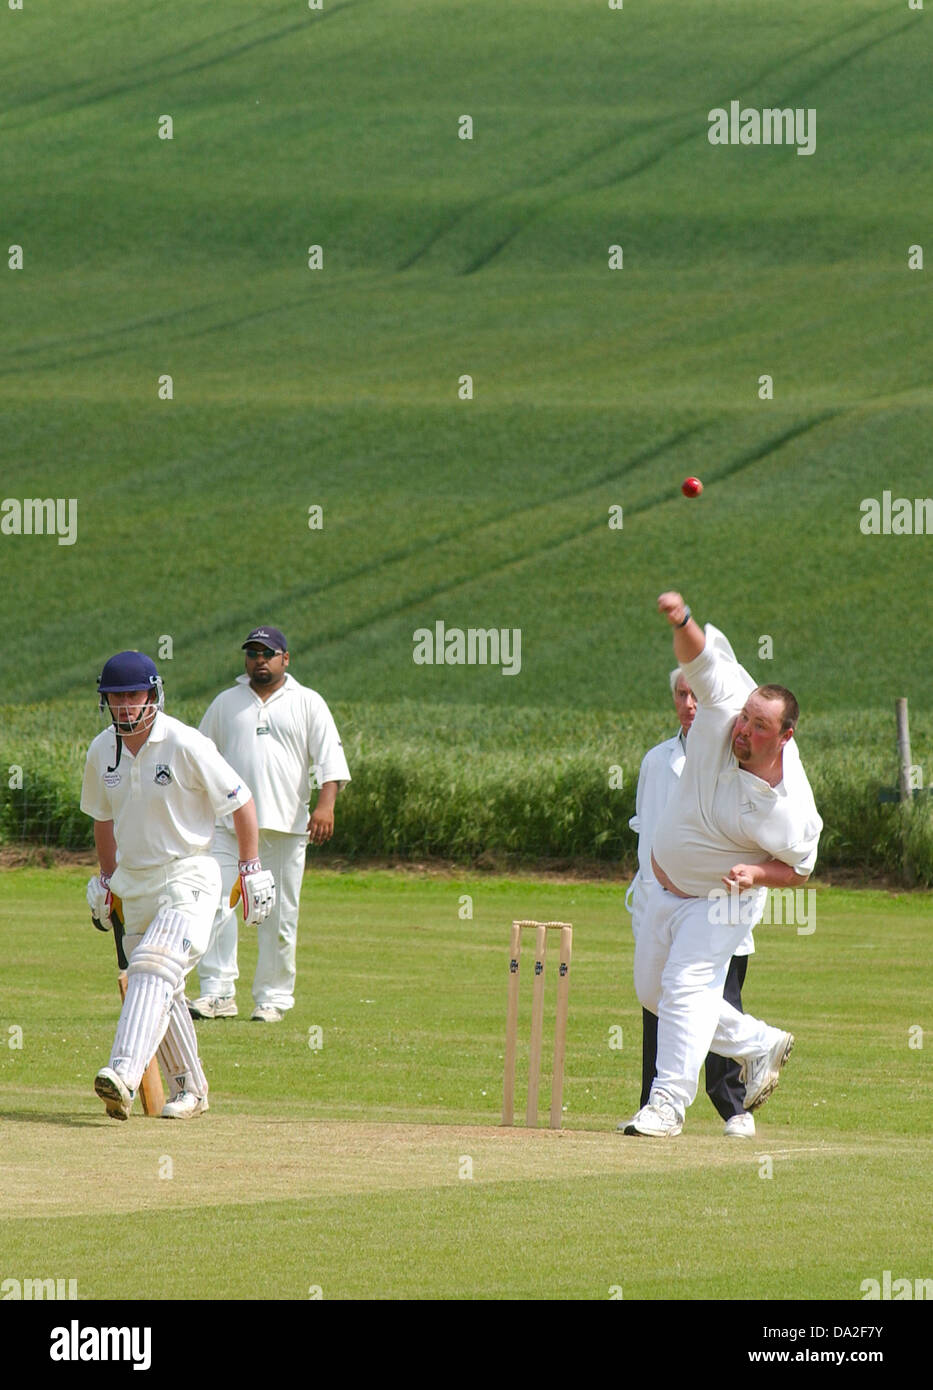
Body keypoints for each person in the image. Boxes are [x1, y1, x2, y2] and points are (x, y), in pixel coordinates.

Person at [622, 592, 822, 1138]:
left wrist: (758, 873)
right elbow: (699, 657)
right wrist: (682, 619)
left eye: (760, 728)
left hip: (720, 900)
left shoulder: (790, 810)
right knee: (652, 993)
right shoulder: (728, 699)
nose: (743, 730)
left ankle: (667, 1106)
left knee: (686, 986)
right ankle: (759, 1043)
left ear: (785, 737)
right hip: (662, 886)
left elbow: (801, 870)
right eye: (745, 718)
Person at [81, 650, 275, 1121]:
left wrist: (249, 867)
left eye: (133, 694)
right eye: (116, 697)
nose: (126, 706)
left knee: (153, 964)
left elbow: (241, 801)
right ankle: (191, 1089)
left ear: (152, 693)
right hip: (135, 881)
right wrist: (107, 880)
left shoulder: (185, 743)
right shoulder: (100, 750)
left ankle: (122, 1074)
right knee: (161, 990)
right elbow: (103, 820)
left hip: (189, 874)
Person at [189, 626, 351, 1023]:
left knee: (277, 918)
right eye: (252, 653)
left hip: (286, 828)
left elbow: (329, 760)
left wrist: (325, 806)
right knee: (216, 908)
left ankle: (273, 998)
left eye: (268, 652)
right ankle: (217, 993)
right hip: (228, 828)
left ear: (285, 658)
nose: (259, 659)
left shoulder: (308, 702)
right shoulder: (226, 703)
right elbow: (197, 758)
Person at [626, 669, 756, 1137]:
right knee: (658, 1000)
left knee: (718, 998)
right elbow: (646, 836)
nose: (689, 703)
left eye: (697, 694)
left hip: (716, 905)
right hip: (660, 902)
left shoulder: (732, 762)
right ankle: (653, 1101)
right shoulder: (655, 761)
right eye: (682, 694)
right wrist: (644, 902)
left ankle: (734, 1106)